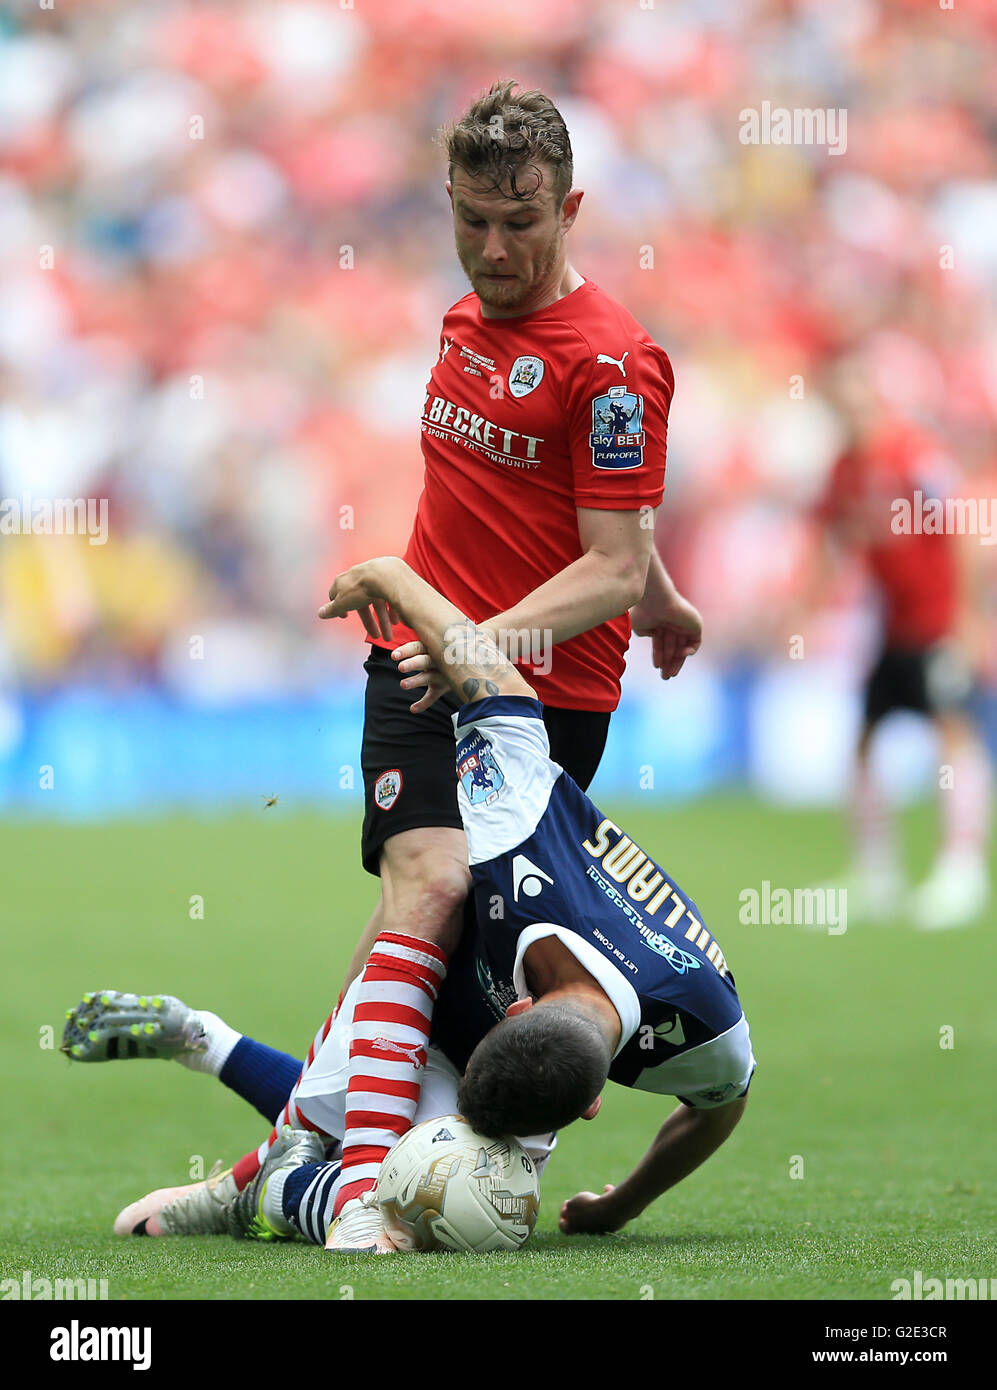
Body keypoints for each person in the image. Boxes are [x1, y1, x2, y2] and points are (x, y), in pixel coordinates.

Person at [64, 556, 753, 1252]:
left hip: (493, 1037)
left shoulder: (706, 1024)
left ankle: (240, 1134)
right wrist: (396, 579)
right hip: (413, 988)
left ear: (591, 1097)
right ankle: (271, 1189)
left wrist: (621, 1206)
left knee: (468, 1199)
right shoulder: (521, 829)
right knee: (435, 1196)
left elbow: (720, 1110)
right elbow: (499, 687)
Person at [326, 79, 702, 1244]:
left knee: (461, 984)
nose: (493, 249)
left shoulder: (612, 367)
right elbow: (545, 520)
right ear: (447, 200)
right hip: (413, 662)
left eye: (520, 223)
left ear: (570, 206)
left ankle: (285, 1154)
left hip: (544, 703)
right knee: (425, 886)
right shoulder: (458, 322)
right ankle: (349, 1197)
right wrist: (671, 600)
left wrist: (630, 603)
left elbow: (605, 562)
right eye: (472, 219)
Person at [805, 372, 992, 929]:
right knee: (865, 739)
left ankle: (963, 866)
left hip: (934, 623)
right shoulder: (846, 468)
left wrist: (965, 616)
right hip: (894, 626)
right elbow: (832, 533)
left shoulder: (917, 456)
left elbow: (960, 529)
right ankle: (876, 871)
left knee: (951, 730)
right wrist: (812, 605)